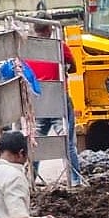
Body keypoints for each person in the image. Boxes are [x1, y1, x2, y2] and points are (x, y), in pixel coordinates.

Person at [24, 15, 83, 187]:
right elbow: (74, 68)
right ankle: (75, 180)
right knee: (67, 143)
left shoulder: (27, 48)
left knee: (36, 143)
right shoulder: (59, 46)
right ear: (50, 29)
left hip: (37, 102)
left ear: (35, 29)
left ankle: (30, 181)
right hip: (59, 100)